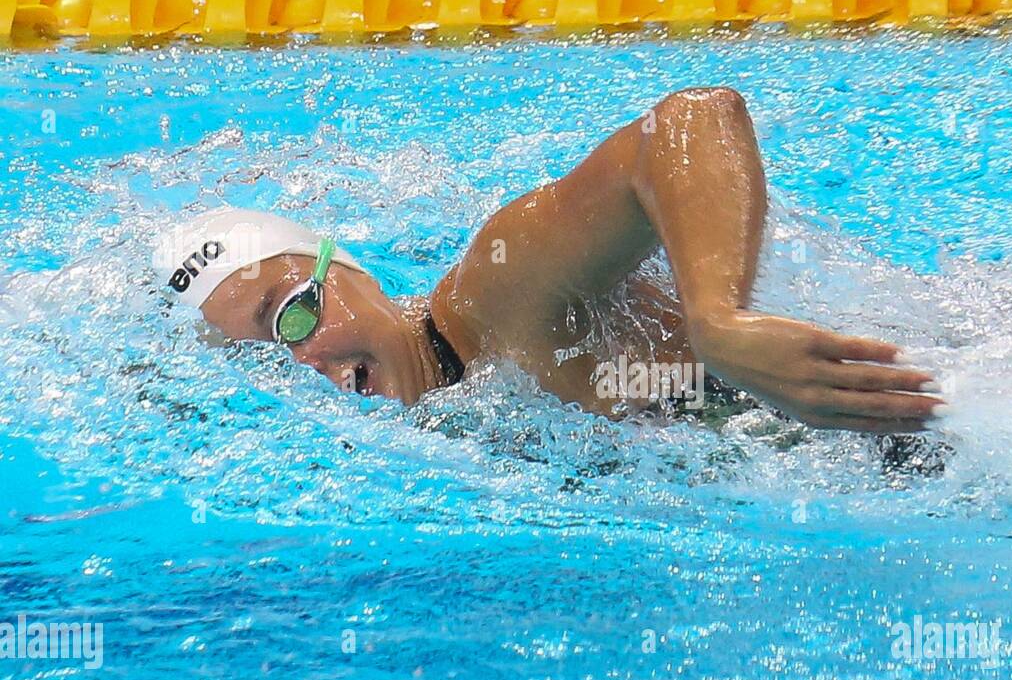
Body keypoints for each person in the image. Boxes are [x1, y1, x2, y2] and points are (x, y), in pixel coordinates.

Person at [152, 87, 946, 434]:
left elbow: (689, 123)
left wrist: (719, 321)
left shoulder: (494, 296)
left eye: (293, 314)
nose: (302, 364)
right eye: (265, 362)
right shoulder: (448, 419)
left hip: (932, 399)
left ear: (351, 269)